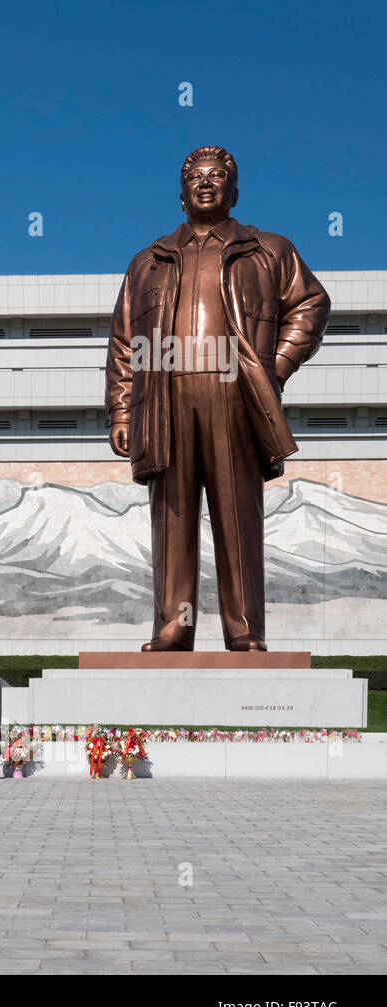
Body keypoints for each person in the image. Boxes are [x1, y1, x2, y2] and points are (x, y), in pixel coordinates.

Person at [106, 146, 329, 653]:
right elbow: (123, 342)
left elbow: (311, 303)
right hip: (165, 397)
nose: (205, 184)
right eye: (195, 178)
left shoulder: (268, 250)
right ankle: (173, 626)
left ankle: (244, 628)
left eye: (217, 177)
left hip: (234, 395)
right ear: (180, 193)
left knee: (237, 514)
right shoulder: (148, 262)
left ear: (234, 191)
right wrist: (121, 411)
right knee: (173, 516)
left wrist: (276, 367)